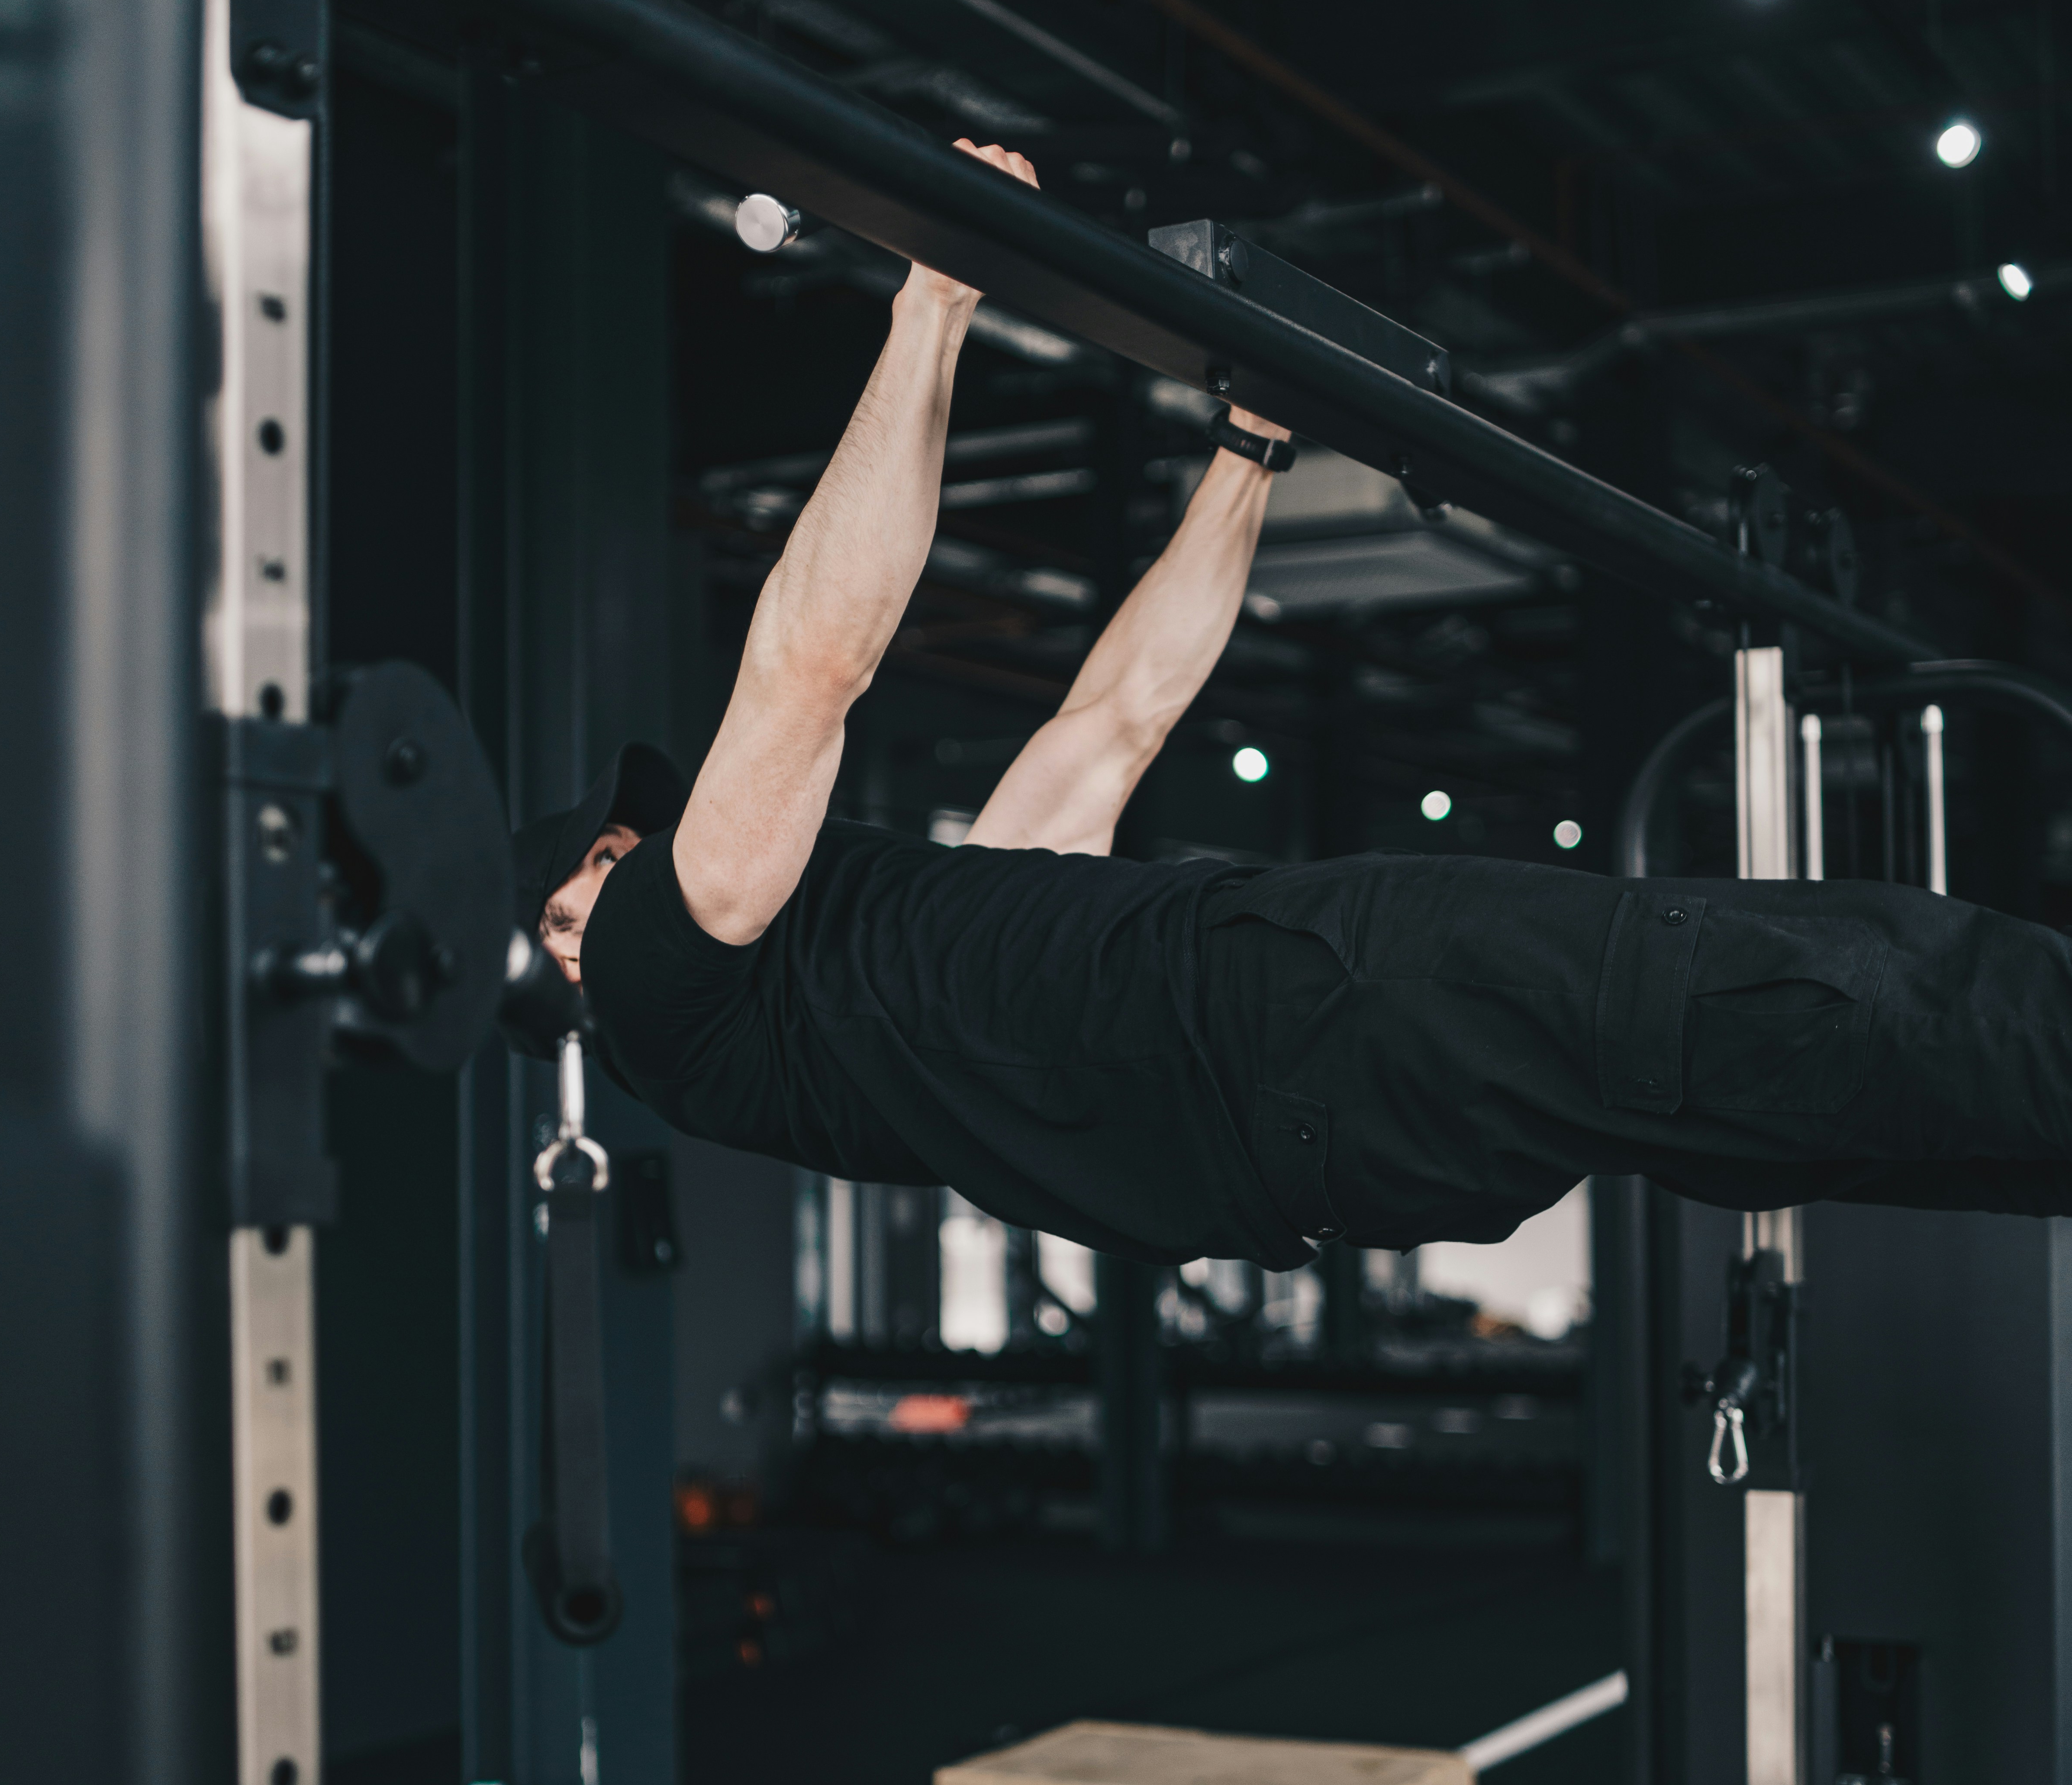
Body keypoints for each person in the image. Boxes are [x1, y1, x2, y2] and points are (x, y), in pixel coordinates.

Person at [512, 140, 2072, 1273]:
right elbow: (811, 661)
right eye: (562, 933)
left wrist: (1251, 449)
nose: (584, 925)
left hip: (1325, 1125)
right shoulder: (662, 988)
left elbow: (1111, 723)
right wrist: (937, 298)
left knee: (1769, 1094)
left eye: (575, 892)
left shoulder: (898, 976)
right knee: (1770, 993)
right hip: (1311, 1016)